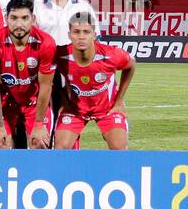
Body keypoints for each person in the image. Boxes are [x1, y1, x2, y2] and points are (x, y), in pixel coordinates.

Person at [0, 0, 57, 150]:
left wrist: (38, 124)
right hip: (5, 103)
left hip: (34, 103)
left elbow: (45, 87)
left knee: (39, 144)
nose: (19, 24)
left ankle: (37, 175)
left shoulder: (46, 43)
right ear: (6, 18)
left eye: (25, 18)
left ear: (33, 19)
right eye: (14, 18)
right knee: (0, 145)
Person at [55, 12, 135, 151]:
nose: (81, 37)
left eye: (86, 32)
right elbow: (49, 76)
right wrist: (63, 101)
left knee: (120, 150)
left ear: (94, 34)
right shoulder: (61, 55)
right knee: (61, 149)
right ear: (69, 35)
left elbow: (131, 65)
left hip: (108, 109)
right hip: (75, 110)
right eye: (76, 32)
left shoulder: (111, 55)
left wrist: (119, 101)